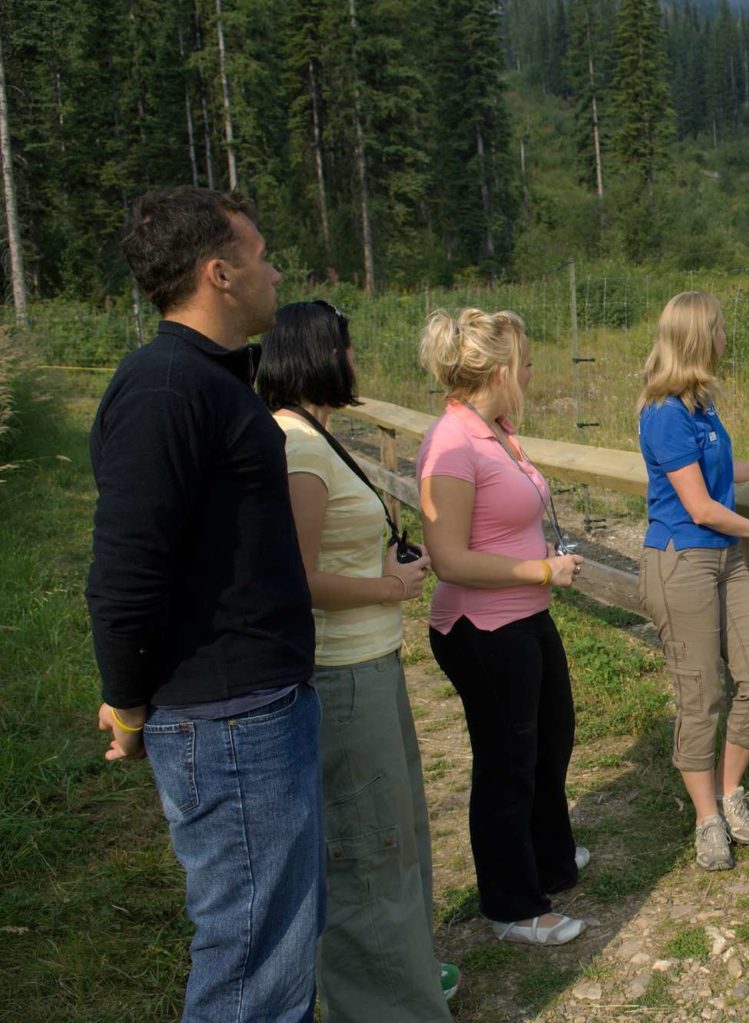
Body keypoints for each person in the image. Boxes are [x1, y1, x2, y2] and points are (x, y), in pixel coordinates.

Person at [86, 186, 322, 1022]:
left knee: (281, 939)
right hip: (228, 721)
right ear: (219, 273)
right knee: (250, 956)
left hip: (259, 705)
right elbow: (124, 571)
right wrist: (126, 700)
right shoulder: (164, 390)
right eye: (260, 255)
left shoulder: (214, 380)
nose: (275, 270)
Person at [256, 301, 458, 1019]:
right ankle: (380, 1003)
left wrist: (384, 563)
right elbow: (296, 577)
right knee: (366, 840)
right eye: (347, 350)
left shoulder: (314, 434)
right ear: (318, 355)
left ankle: (403, 979)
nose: (355, 363)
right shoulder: (300, 447)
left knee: (393, 825)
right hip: (342, 674)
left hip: (367, 662)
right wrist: (387, 584)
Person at [416, 308, 589, 945]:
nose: (533, 371)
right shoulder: (453, 444)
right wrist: (541, 568)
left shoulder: (495, 430)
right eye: (526, 361)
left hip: (524, 615)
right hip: (482, 626)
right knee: (507, 760)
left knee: (551, 738)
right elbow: (451, 559)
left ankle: (547, 858)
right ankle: (511, 904)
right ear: (500, 369)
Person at [636, 291, 749, 871]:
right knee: (701, 694)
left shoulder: (700, 404)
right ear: (699, 336)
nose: (725, 336)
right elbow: (701, 505)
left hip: (725, 558)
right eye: (720, 327)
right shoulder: (664, 412)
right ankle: (705, 817)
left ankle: (729, 789)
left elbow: (712, 471)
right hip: (682, 560)